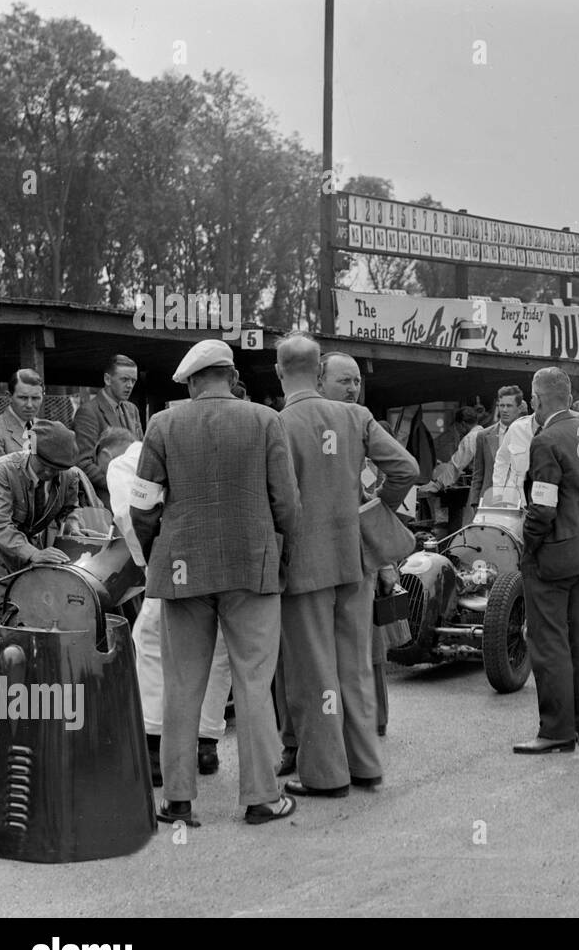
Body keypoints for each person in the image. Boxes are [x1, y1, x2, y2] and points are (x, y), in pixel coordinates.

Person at [131, 339, 300, 827]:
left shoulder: (162, 424)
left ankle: (178, 801)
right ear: (231, 374)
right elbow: (286, 503)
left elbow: (142, 507)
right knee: (252, 681)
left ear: (191, 382)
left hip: (183, 569)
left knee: (182, 683)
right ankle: (261, 798)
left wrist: (158, 554)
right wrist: (280, 557)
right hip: (252, 567)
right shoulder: (266, 421)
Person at [275, 334, 418, 797]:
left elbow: (278, 504)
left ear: (281, 372)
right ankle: (366, 766)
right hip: (355, 562)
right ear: (319, 373)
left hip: (303, 568)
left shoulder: (277, 425)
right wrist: (377, 507)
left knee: (313, 672)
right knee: (355, 666)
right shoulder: (357, 417)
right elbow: (407, 469)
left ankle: (325, 775)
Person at [107, 424, 233, 785]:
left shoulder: (123, 463)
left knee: (152, 644)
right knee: (218, 647)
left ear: (104, 454)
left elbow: (128, 516)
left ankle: (153, 747)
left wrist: (149, 564)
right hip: (221, 559)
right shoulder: (205, 444)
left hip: (171, 561)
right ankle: (206, 743)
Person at [513, 367, 579, 753]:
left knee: (548, 642)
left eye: (532, 397)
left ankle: (556, 730)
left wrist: (527, 546)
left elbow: (542, 508)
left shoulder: (545, 441)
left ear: (540, 400)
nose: (531, 404)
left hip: (555, 556)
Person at [0, 420, 92, 624]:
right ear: (31, 451)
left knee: (33, 615)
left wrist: (72, 525)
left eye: (56, 469)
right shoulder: (3, 471)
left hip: (33, 559)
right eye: (45, 465)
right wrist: (34, 554)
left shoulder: (69, 475)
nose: (49, 473)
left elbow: (69, 509)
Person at [72, 354, 143, 502]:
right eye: (124, 380)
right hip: (105, 500)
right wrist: (119, 484)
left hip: (134, 498)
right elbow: (83, 463)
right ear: (107, 379)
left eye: (133, 380)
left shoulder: (132, 410)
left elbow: (140, 453)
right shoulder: (89, 412)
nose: (130, 385)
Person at [0, 368, 45, 479]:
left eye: (35, 398)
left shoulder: (44, 428)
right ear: (9, 397)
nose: (29, 405)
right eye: (23, 398)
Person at [470, 385, 524, 507]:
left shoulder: (528, 435)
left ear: (519, 408)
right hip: (489, 500)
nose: (504, 410)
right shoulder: (483, 436)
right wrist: (474, 503)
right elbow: (478, 473)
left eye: (509, 406)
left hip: (518, 501)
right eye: (501, 405)